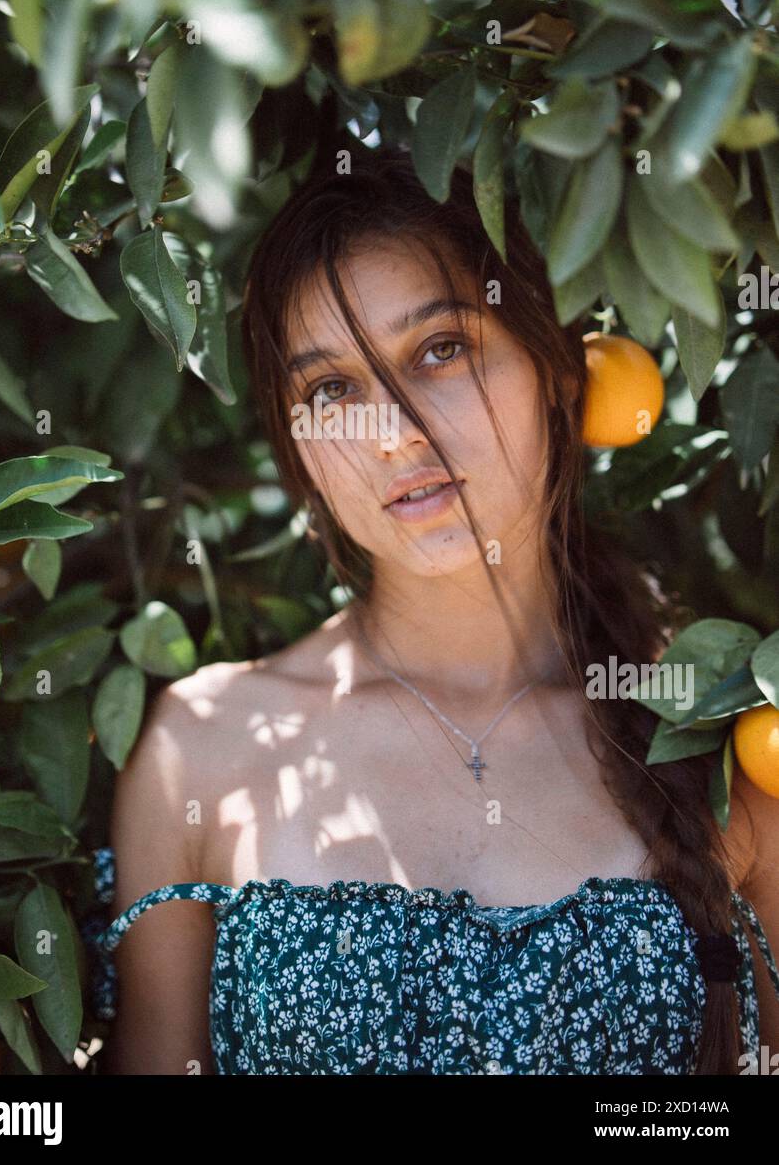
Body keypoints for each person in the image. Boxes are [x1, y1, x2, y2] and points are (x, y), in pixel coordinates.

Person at [98, 146, 779, 1076]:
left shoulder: (724, 740)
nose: (392, 434)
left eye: (441, 350)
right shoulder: (203, 748)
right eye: (332, 389)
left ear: (557, 372)